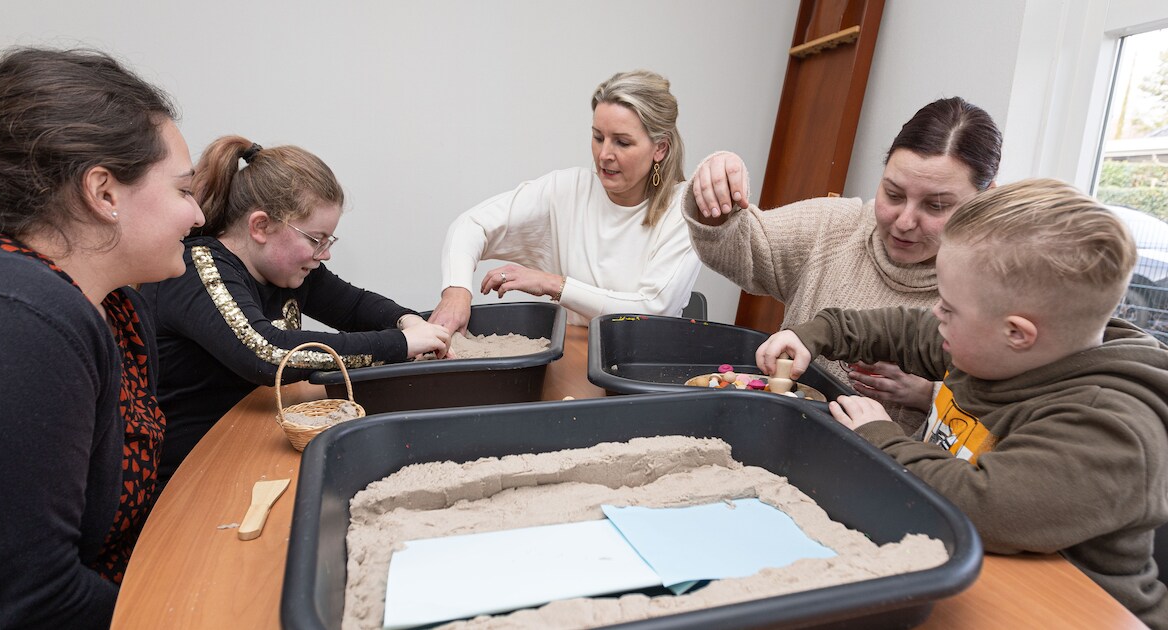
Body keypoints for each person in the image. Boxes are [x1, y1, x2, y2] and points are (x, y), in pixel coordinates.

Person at [758, 179, 1168, 627]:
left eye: (950, 309)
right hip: (963, 561)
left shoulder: (1108, 429)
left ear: (1016, 333)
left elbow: (987, 508)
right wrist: (817, 333)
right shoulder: (992, 349)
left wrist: (880, 439)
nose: (937, 315)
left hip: (1070, 608)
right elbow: (905, 329)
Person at [0, 48, 205, 627]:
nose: (197, 217)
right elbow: (27, 603)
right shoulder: (16, 323)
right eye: (182, 191)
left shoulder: (119, 306)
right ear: (104, 193)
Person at [141, 136, 450, 483]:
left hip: (252, 445)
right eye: (315, 239)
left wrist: (406, 319)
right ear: (261, 226)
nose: (324, 254)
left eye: (328, 242)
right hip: (191, 473)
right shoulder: (198, 269)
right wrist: (401, 343)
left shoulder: (289, 272)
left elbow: (354, 305)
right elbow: (267, 352)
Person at [685, 97, 1002, 435]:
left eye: (935, 206)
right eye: (893, 194)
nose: (905, 221)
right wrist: (718, 194)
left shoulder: (995, 294)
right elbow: (742, 247)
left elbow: (1002, 421)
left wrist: (931, 397)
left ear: (985, 200)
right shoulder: (834, 227)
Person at [429, 69, 702, 332]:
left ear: (660, 148)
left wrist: (554, 284)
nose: (604, 153)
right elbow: (472, 224)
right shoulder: (567, 189)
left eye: (622, 142)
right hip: (574, 353)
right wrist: (456, 291)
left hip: (643, 366)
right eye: (598, 137)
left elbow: (653, 311)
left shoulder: (684, 211)